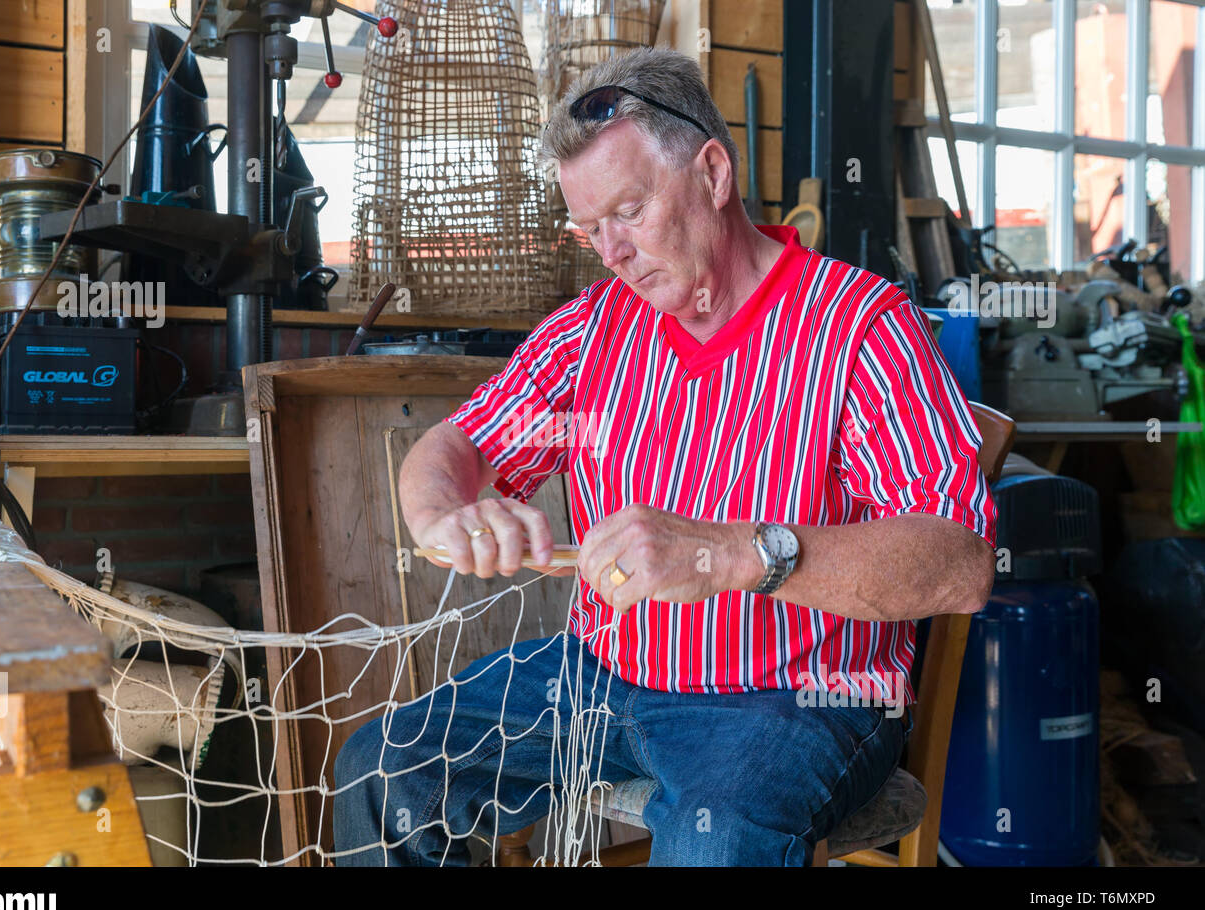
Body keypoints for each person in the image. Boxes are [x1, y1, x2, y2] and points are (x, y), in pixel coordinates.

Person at [332, 46, 996, 866]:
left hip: (795, 695)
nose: (610, 250)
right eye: (589, 228)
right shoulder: (593, 327)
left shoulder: (859, 326)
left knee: (716, 837)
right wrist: (444, 512)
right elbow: (458, 444)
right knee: (381, 770)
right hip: (599, 675)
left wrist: (732, 553)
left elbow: (960, 561)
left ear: (712, 173)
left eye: (630, 210)